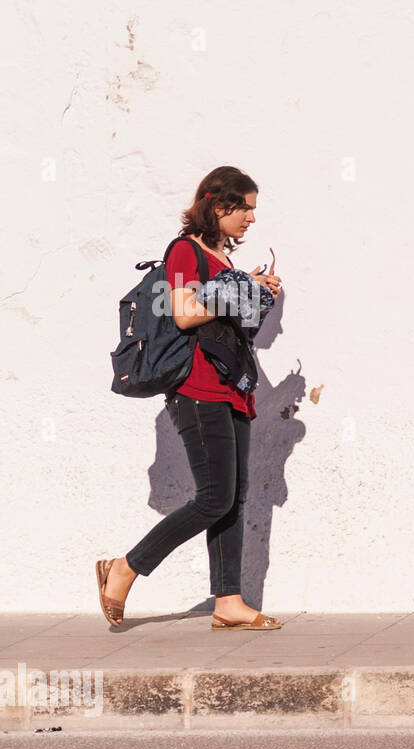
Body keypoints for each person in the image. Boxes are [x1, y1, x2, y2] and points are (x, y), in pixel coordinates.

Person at [95, 166, 284, 631]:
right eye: (246, 208)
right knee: (214, 497)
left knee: (234, 499)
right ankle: (124, 567)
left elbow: (225, 321)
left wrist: (253, 289)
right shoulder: (185, 250)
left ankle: (228, 603)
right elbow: (182, 314)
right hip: (197, 389)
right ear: (218, 204)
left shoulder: (221, 260)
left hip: (231, 386)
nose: (252, 219)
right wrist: (242, 289)